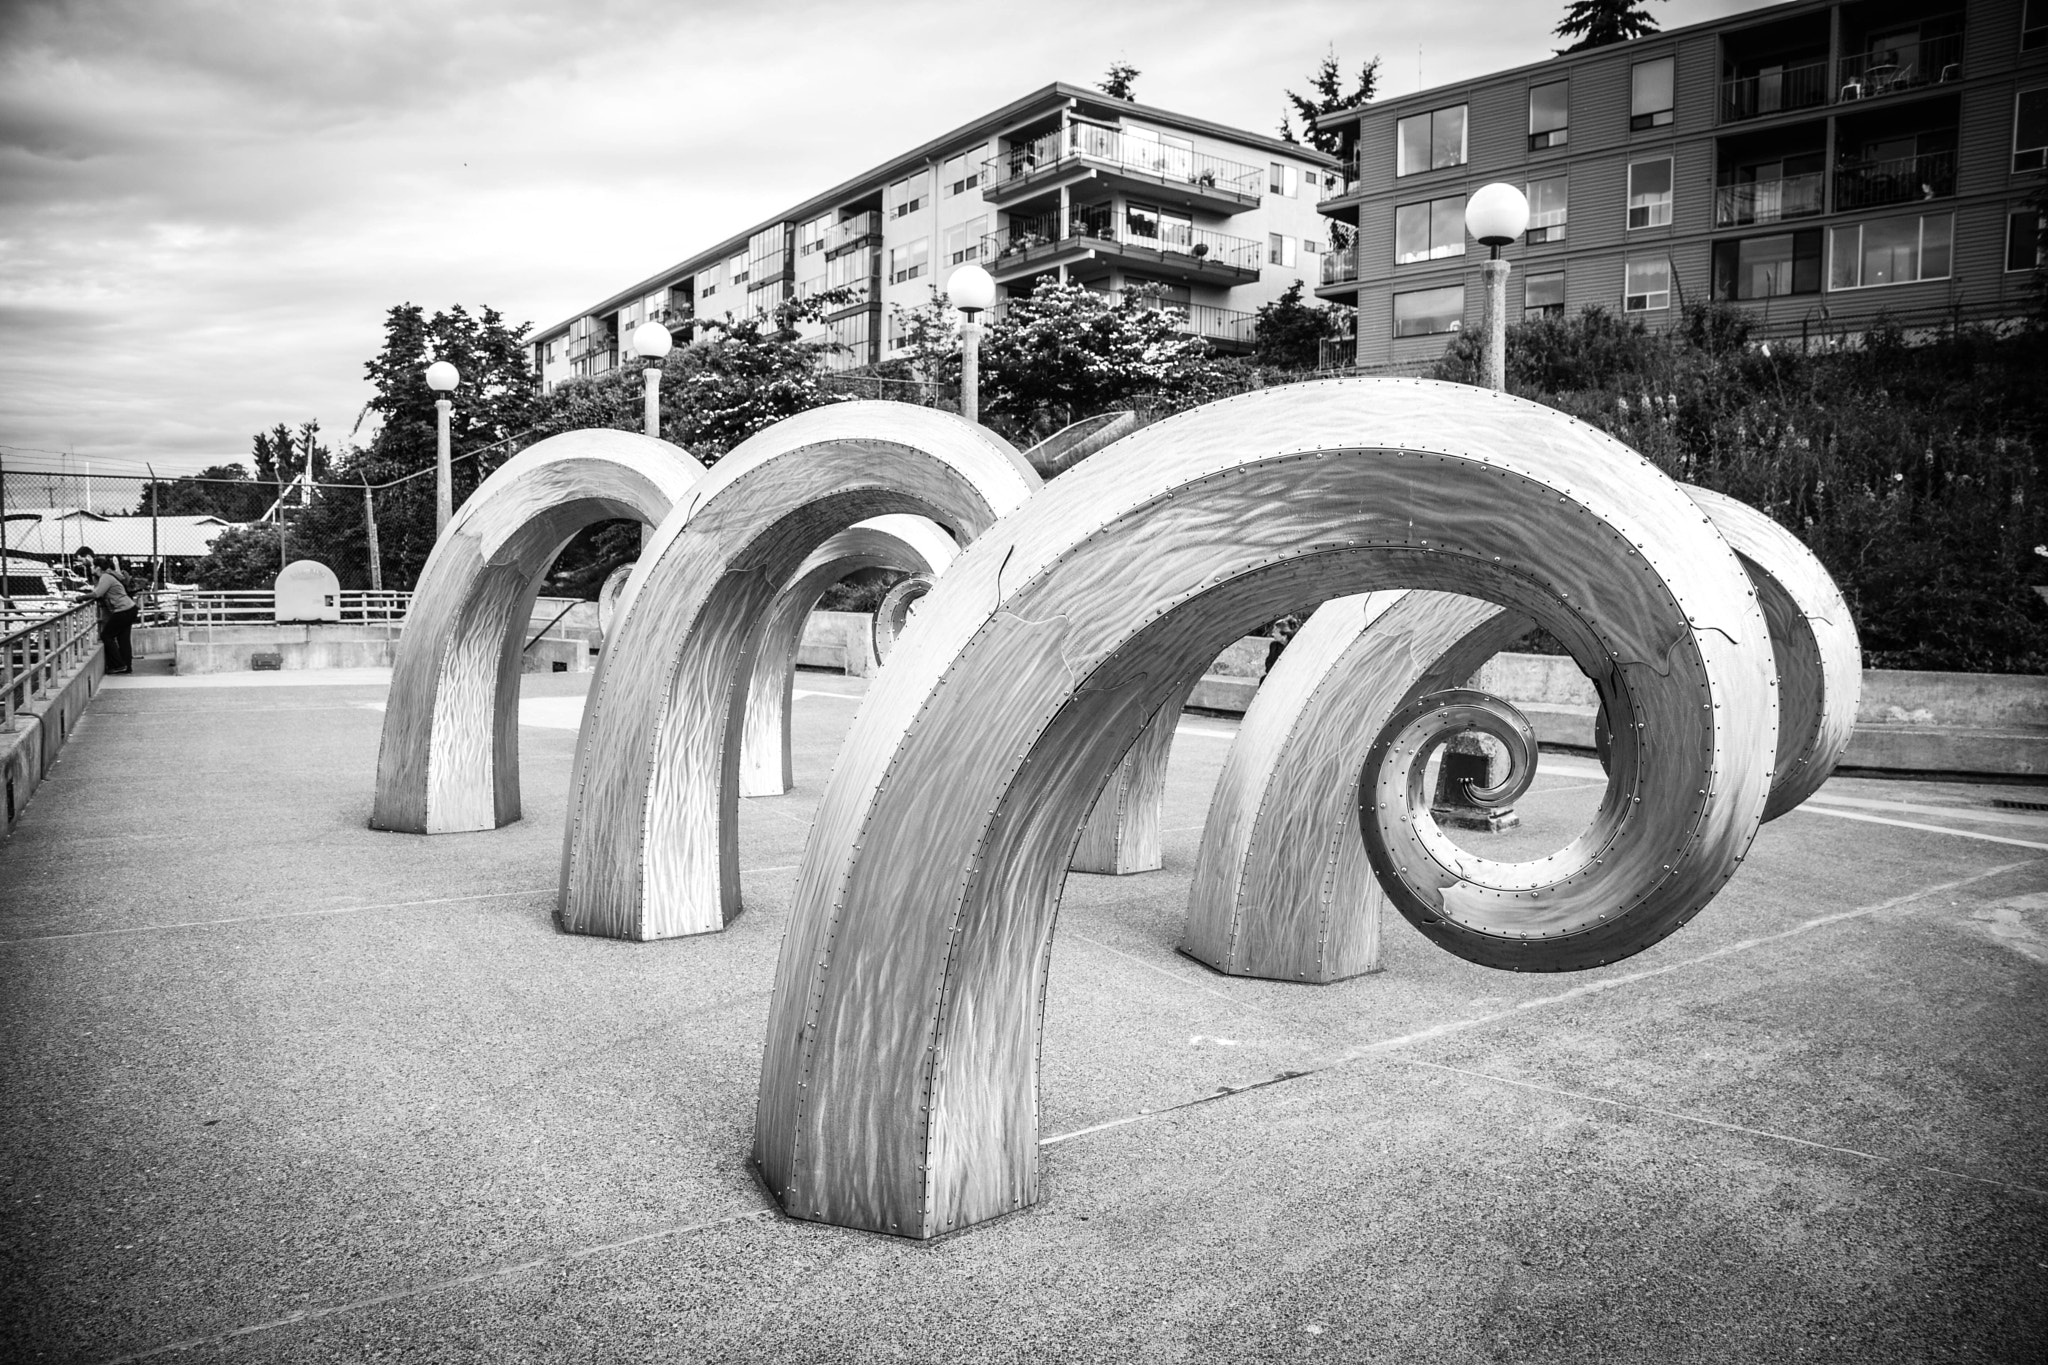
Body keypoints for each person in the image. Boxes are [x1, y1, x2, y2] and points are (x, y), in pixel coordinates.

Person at [74, 547, 138, 674]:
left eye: (94, 567)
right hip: (130, 608)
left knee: (106, 635)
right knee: (123, 638)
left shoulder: (105, 577)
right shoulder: (109, 576)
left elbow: (97, 593)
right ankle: (126, 666)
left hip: (123, 610)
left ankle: (118, 664)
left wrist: (81, 597)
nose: (92, 569)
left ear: (99, 568)